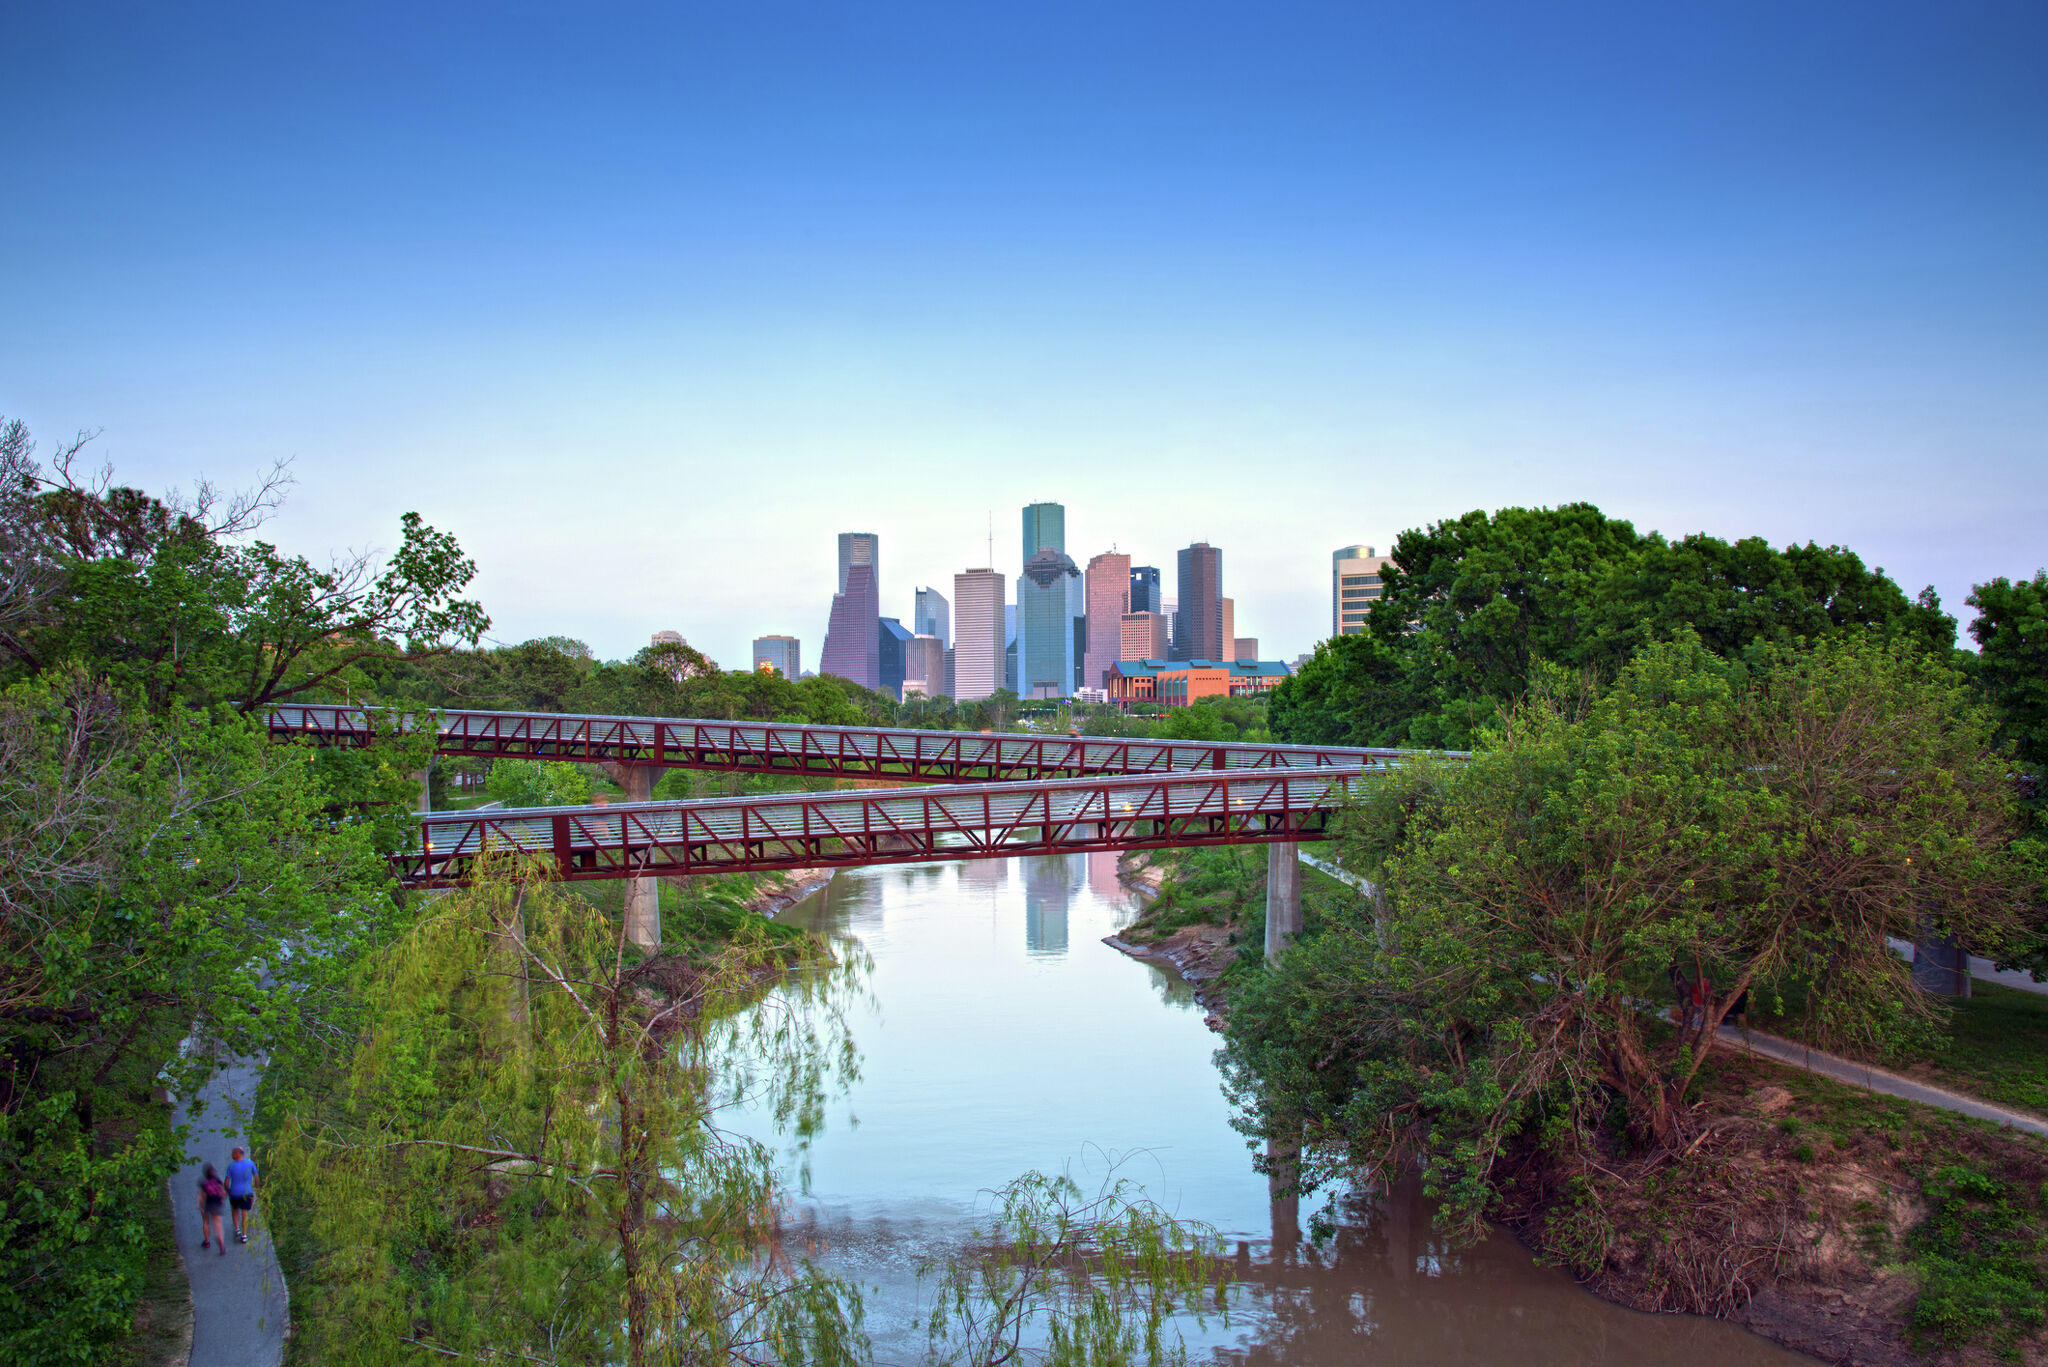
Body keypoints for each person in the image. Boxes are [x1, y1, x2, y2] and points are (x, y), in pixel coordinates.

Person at [225, 1146, 259, 1244]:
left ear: (237, 1154)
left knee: (235, 1209)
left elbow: (226, 1182)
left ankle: (237, 1229)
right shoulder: (250, 1163)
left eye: (232, 1153)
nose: (231, 1155)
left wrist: (228, 1191)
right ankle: (244, 1236)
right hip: (247, 1193)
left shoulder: (231, 1166)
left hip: (234, 1193)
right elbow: (256, 1176)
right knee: (245, 1214)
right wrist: (257, 1187)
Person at [196, 1163, 228, 1255]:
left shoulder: (203, 1183)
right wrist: (223, 1197)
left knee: (206, 1222)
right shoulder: (217, 1181)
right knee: (218, 1225)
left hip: (208, 1205)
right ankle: (221, 1244)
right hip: (217, 1204)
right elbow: (224, 1194)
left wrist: (201, 1206)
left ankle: (206, 1241)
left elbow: (202, 1196)